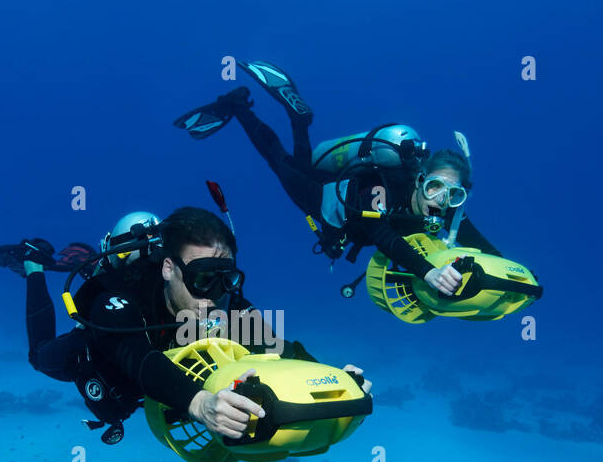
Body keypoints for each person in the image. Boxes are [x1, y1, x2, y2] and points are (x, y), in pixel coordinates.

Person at [0, 207, 369, 444]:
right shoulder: (117, 296)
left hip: (163, 375)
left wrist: (331, 376)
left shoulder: (221, 300)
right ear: (168, 268)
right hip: (100, 354)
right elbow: (138, 362)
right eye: (203, 279)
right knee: (39, 357)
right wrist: (201, 404)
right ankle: (35, 268)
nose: (215, 294)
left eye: (227, 279)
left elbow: (279, 347)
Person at [174, 60, 505, 298]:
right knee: (279, 160)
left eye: (453, 194)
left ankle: (299, 119)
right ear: (420, 178)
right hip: (323, 200)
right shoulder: (384, 188)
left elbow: (475, 238)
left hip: (338, 194)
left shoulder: (443, 206)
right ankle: (240, 108)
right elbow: (382, 234)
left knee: (302, 160)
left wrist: (507, 268)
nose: (440, 200)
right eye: (435, 186)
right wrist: (428, 272)